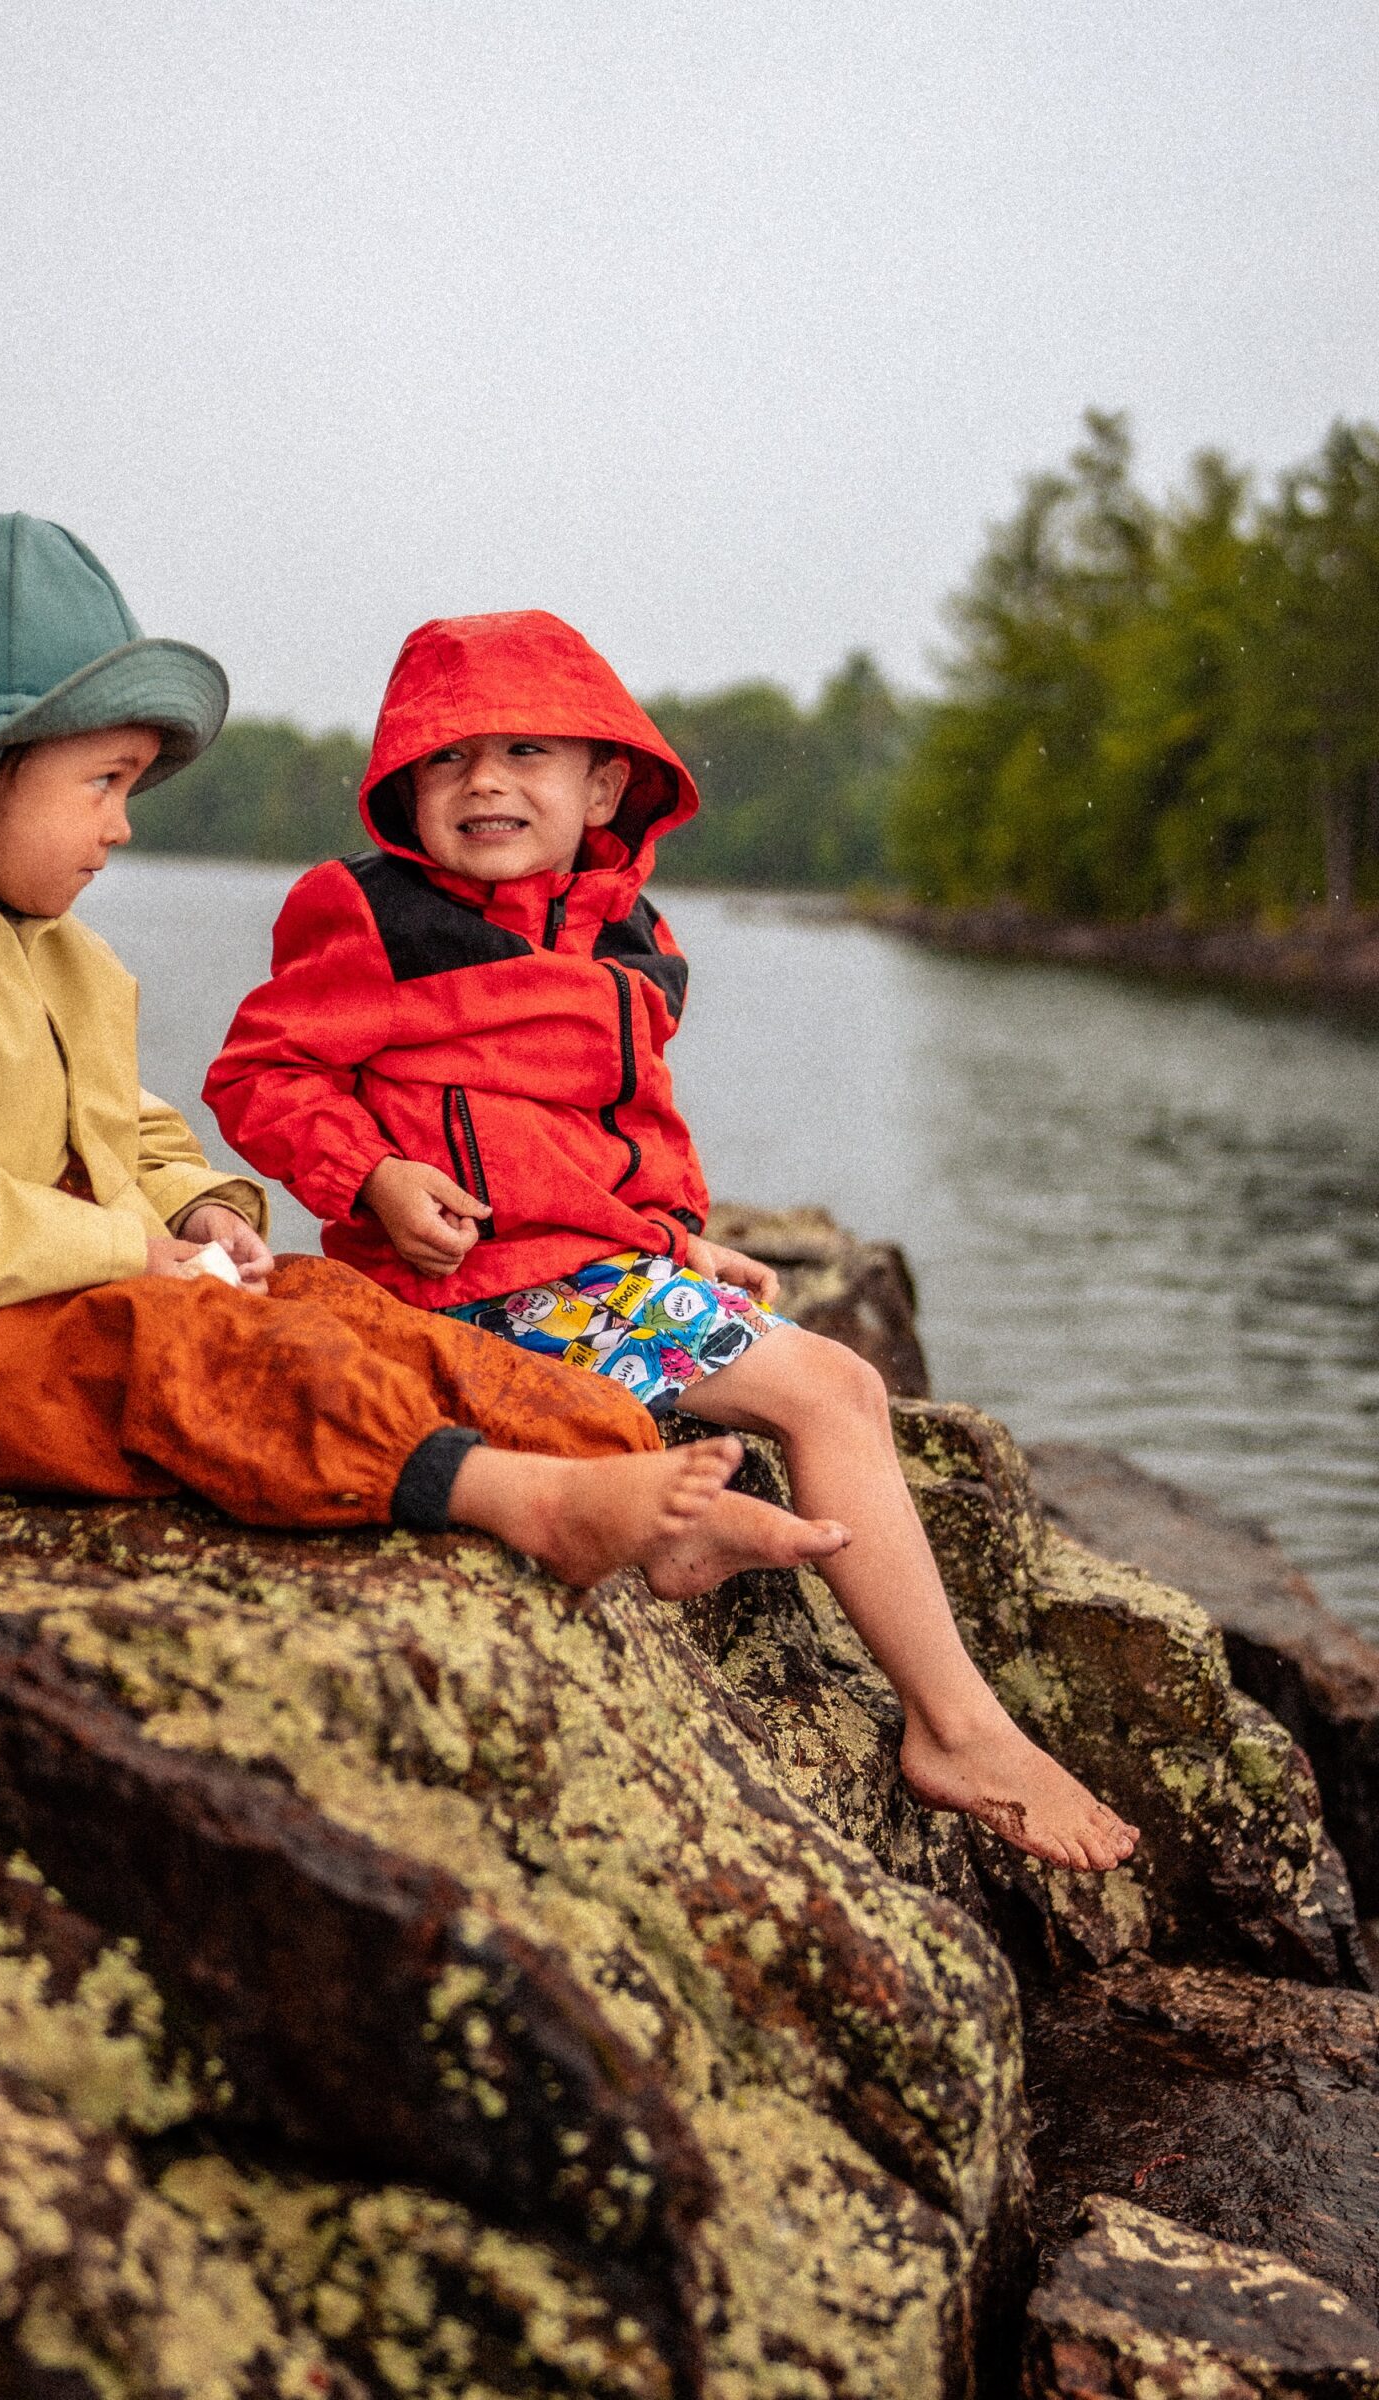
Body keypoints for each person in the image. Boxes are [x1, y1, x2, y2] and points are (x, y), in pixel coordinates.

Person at [0, 516, 849, 1606]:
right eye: (104, 784)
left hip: (68, 1293)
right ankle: (523, 1500)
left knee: (334, 1303)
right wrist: (131, 1248)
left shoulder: (50, 952)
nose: (122, 824)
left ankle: (630, 1480)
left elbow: (128, 1126)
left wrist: (200, 1205)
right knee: (211, 1360)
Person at [206, 609, 1141, 1873]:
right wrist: (371, 1173)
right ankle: (957, 1726)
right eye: (446, 757)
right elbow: (260, 1074)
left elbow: (631, 1124)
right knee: (835, 1390)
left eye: (527, 751)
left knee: (791, 1397)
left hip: (590, 1274)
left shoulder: (634, 940)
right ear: (400, 787)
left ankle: (675, 1532)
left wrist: (676, 1239)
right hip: (466, 1286)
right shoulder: (368, 917)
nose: (484, 781)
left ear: (605, 783)